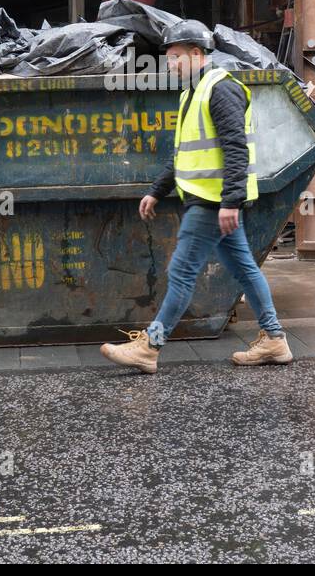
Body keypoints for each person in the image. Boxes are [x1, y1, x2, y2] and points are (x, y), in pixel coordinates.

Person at [100, 19, 292, 374]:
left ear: (196, 53)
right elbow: (186, 154)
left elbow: (236, 149)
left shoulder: (220, 89)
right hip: (209, 200)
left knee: (182, 272)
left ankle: (150, 345)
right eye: (168, 58)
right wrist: (157, 191)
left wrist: (230, 201)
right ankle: (274, 339)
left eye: (175, 57)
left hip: (211, 203)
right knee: (245, 270)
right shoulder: (193, 91)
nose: (170, 63)